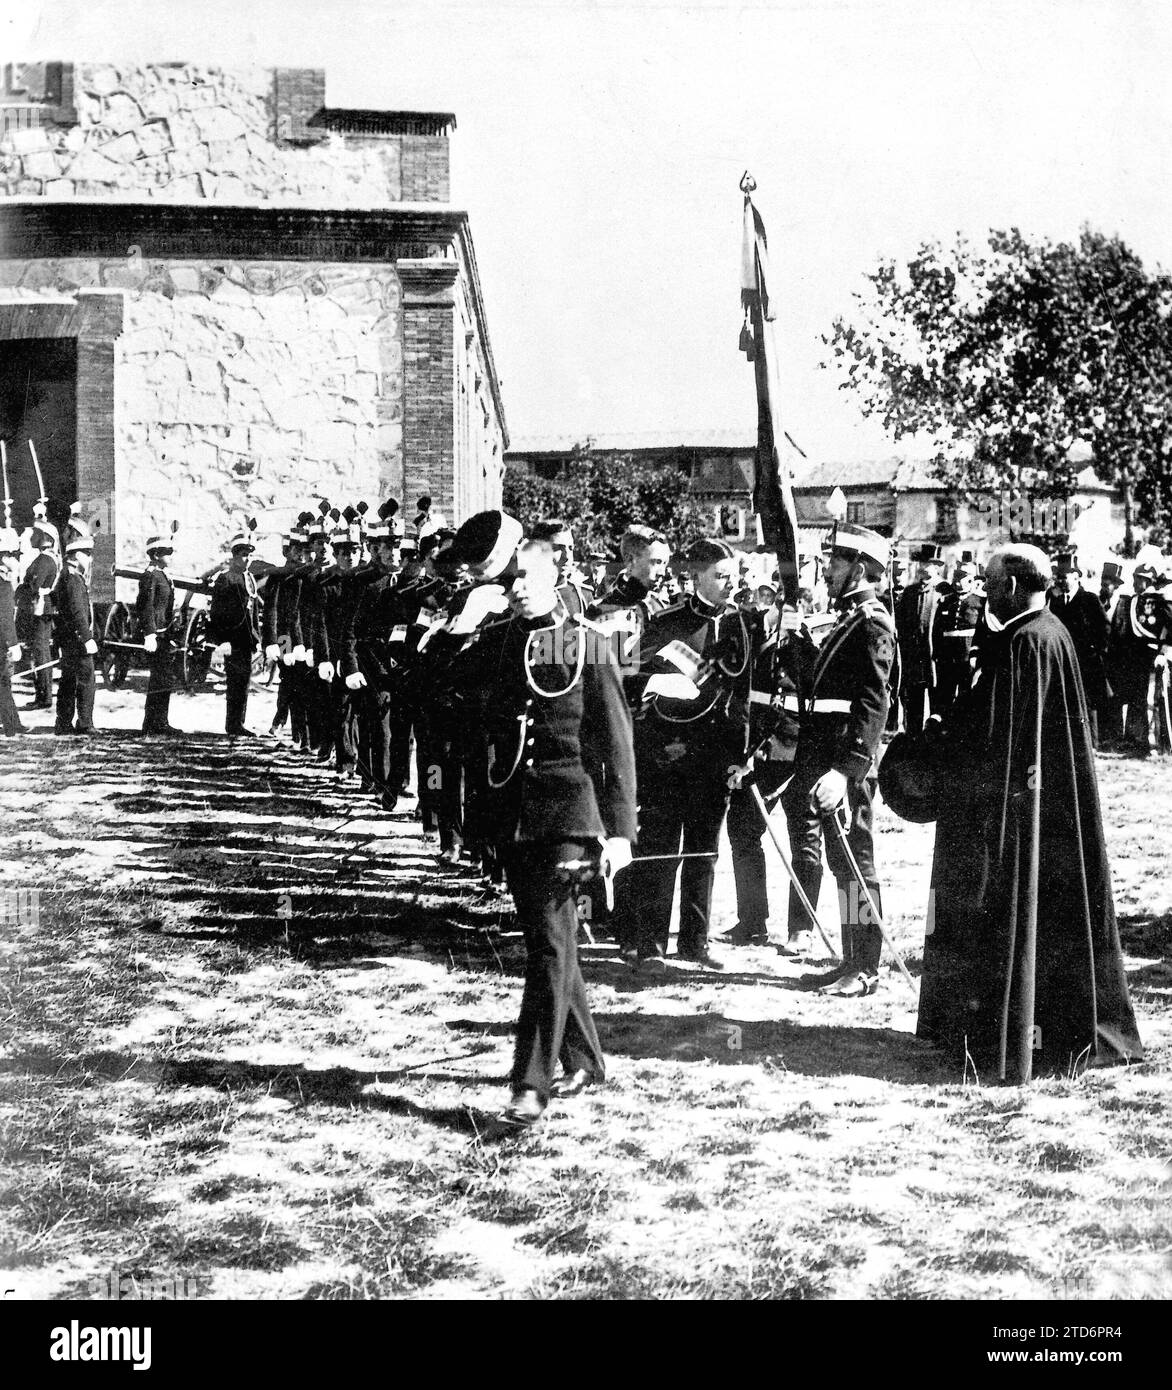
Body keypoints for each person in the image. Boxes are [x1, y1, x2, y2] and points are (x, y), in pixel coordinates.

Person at [917, 544, 1143, 1081]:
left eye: (990, 580)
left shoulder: (1026, 643)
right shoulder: (1044, 634)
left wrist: (942, 761)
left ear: (1013, 586)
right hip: (1041, 809)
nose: (982, 588)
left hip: (1014, 815)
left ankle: (1012, 1036)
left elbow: (999, 741)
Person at [443, 511, 636, 1127]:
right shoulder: (498, 640)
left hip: (570, 812)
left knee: (550, 947)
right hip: (513, 809)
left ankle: (531, 1084)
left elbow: (617, 742)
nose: (519, 588)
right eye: (509, 581)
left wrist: (622, 831)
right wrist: (456, 631)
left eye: (529, 575)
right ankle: (586, 1057)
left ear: (554, 569)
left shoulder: (584, 640)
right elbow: (437, 694)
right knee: (547, 941)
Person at [620, 538, 755, 971]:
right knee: (661, 849)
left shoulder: (742, 625)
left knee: (704, 852)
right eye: (719, 575)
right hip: (671, 753)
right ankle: (651, 944)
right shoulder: (666, 623)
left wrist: (741, 754)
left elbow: (746, 696)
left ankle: (695, 941)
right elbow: (636, 688)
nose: (729, 583)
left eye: (732, 575)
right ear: (694, 576)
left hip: (715, 757)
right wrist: (659, 745)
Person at [780, 522, 895, 995]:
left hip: (843, 764)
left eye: (835, 562)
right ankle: (852, 961)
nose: (826, 570)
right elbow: (823, 693)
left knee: (855, 862)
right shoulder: (847, 619)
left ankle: (865, 968)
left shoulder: (871, 622)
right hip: (824, 755)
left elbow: (874, 703)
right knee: (839, 860)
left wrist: (846, 772)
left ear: (860, 568)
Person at [1048, 553, 1111, 746]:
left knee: (1087, 701)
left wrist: (1096, 651)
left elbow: (1105, 629)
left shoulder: (1089, 599)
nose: (1061, 580)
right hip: (1063, 660)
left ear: (1076, 576)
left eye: (1065, 576)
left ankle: (1091, 743)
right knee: (1065, 700)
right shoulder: (1056, 602)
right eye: (1059, 576)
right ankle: (1069, 742)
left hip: (1086, 662)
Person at [207, 529, 261, 737]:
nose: (247, 559)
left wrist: (256, 637)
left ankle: (239, 722)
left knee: (244, 682)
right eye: (243, 555)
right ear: (235, 556)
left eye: (249, 555)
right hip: (233, 639)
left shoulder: (249, 578)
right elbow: (217, 613)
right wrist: (223, 640)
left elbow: (254, 610)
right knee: (235, 683)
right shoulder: (226, 578)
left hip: (246, 640)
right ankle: (233, 725)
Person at [894, 543, 947, 732]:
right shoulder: (910, 592)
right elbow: (900, 624)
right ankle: (913, 735)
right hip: (913, 656)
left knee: (937, 698)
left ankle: (935, 737)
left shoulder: (943, 591)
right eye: (922, 563)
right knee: (913, 698)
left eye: (928, 564)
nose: (923, 567)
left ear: (936, 566)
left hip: (935, 656)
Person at [52, 532, 100, 737]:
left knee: (69, 679)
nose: (90, 558)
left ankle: (63, 723)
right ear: (74, 555)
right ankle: (84, 723)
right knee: (86, 680)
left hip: (69, 639)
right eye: (86, 553)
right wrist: (86, 638)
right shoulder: (72, 580)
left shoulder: (69, 577)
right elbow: (76, 612)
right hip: (76, 640)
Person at [137, 534, 181, 736]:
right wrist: (149, 634)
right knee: (159, 679)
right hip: (157, 635)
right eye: (167, 552)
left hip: (164, 634)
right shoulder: (150, 575)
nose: (171, 555)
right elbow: (145, 606)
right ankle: (151, 724)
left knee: (164, 679)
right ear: (155, 554)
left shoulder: (163, 575)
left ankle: (160, 721)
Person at [15, 515, 60, 710]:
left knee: (41, 653)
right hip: (40, 609)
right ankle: (42, 694)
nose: (31, 537)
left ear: (45, 538)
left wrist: (19, 590)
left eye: (35, 534)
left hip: (40, 610)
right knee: (39, 651)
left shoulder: (44, 560)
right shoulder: (45, 558)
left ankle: (45, 697)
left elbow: (33, 586)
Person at [0, 527, 26, 737]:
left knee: (3, 683)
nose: (17, 561)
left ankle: (12, 724)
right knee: (2, 682)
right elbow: (5, 618)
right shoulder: (3, 584)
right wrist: (13, 644)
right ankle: (11, 725)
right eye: (14, 556)